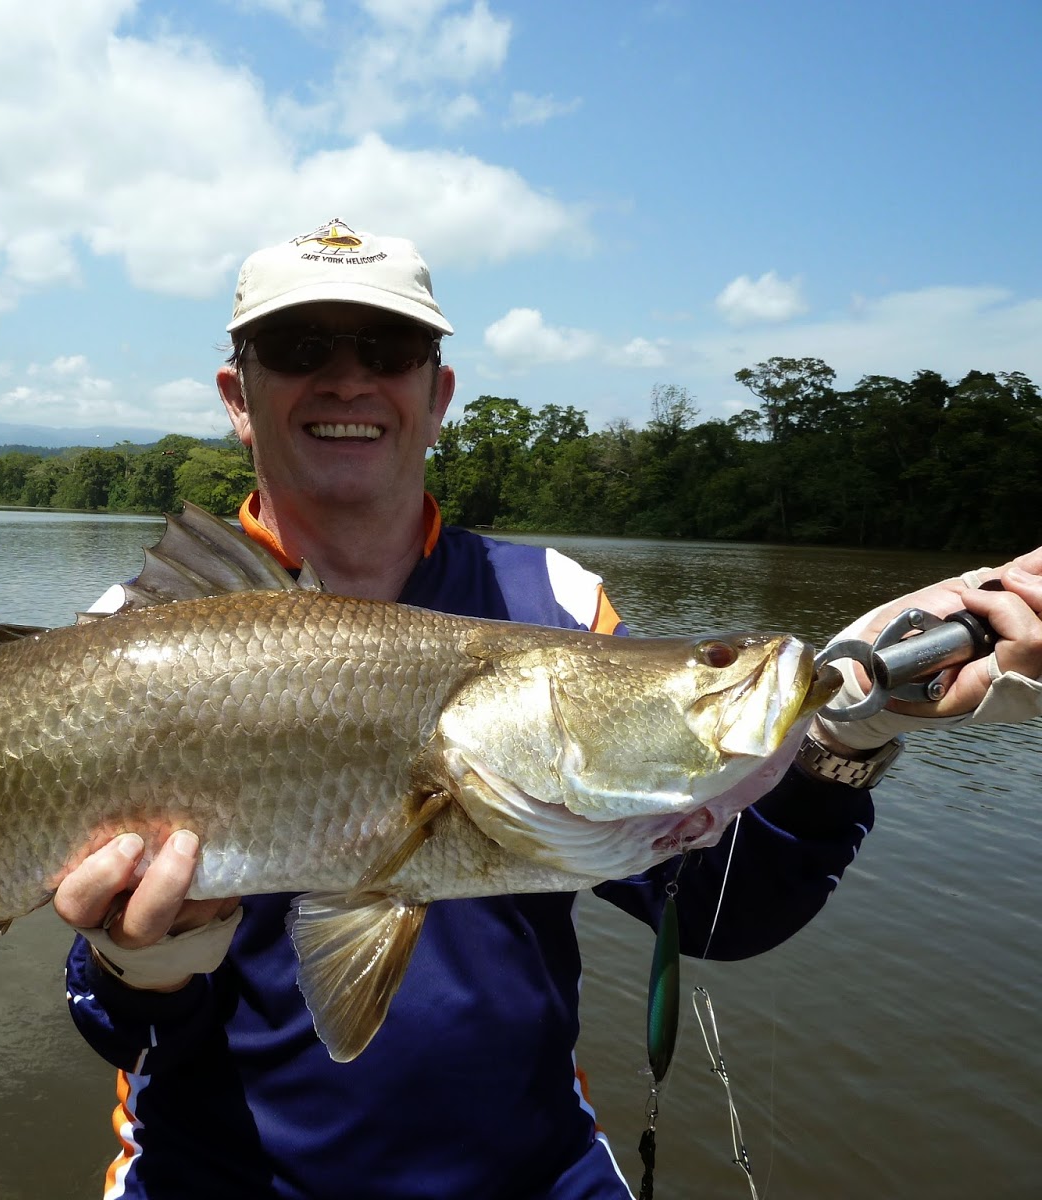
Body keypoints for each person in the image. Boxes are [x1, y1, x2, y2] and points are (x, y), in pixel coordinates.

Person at [52, 219, 1042, 1199]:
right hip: (212, 1177)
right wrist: (145, 965)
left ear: (436, 395)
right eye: (300, 347)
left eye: (389, 350)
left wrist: (845, 731)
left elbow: (714, 908)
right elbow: (115, 1029)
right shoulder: (124, 647)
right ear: (239, 396)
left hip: (536, 1174)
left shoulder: (555, 604)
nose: (348, 379)